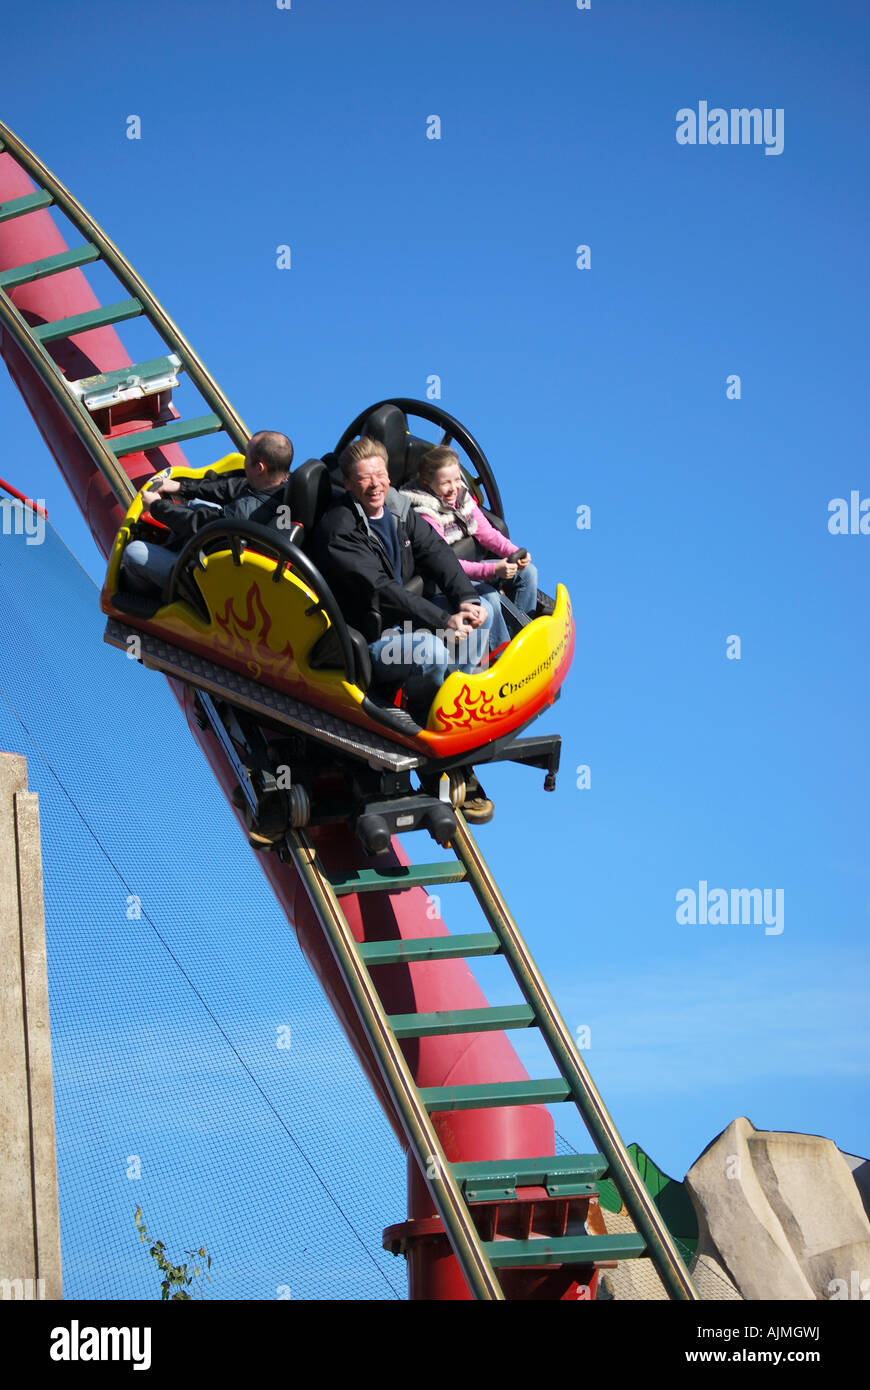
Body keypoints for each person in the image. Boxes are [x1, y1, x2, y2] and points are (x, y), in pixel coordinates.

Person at [311, 437, 497, 822]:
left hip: (410, 619)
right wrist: (443, 620)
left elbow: (436, 551)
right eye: (365, 479)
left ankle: (459, 723)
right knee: (431, 650)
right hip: (371, 638)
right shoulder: (339, 529)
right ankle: (435, 748)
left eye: (381, 475)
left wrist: (465, 599)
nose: (376, 484)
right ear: (348, 484)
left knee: (487, 608)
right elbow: (382, 589)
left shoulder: (398, 506)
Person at [120, 429, 295, 597]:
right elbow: (232, 487)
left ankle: (156, 599)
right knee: (195, 502)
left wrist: (156, 506)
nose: (244, 461)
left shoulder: (246, 512)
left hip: (210, 576)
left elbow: (200, 524)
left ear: (259, 468)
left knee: (133, 552)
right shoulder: (280, 487)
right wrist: (182, 487)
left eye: (247, 457)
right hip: (231, 549)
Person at [401, 445, 538, 651]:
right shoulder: (424, 514)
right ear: (427, 483)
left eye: (457, 480)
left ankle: (523, 633)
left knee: (528, 572)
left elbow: (488, 535)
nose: (454, 488)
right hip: (445, 579)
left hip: (472, 565)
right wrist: (494, 570)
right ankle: (500, 653)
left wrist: (513, 552)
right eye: (446, 483)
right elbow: (446, 564)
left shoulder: (462, 499)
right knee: (489, 597)